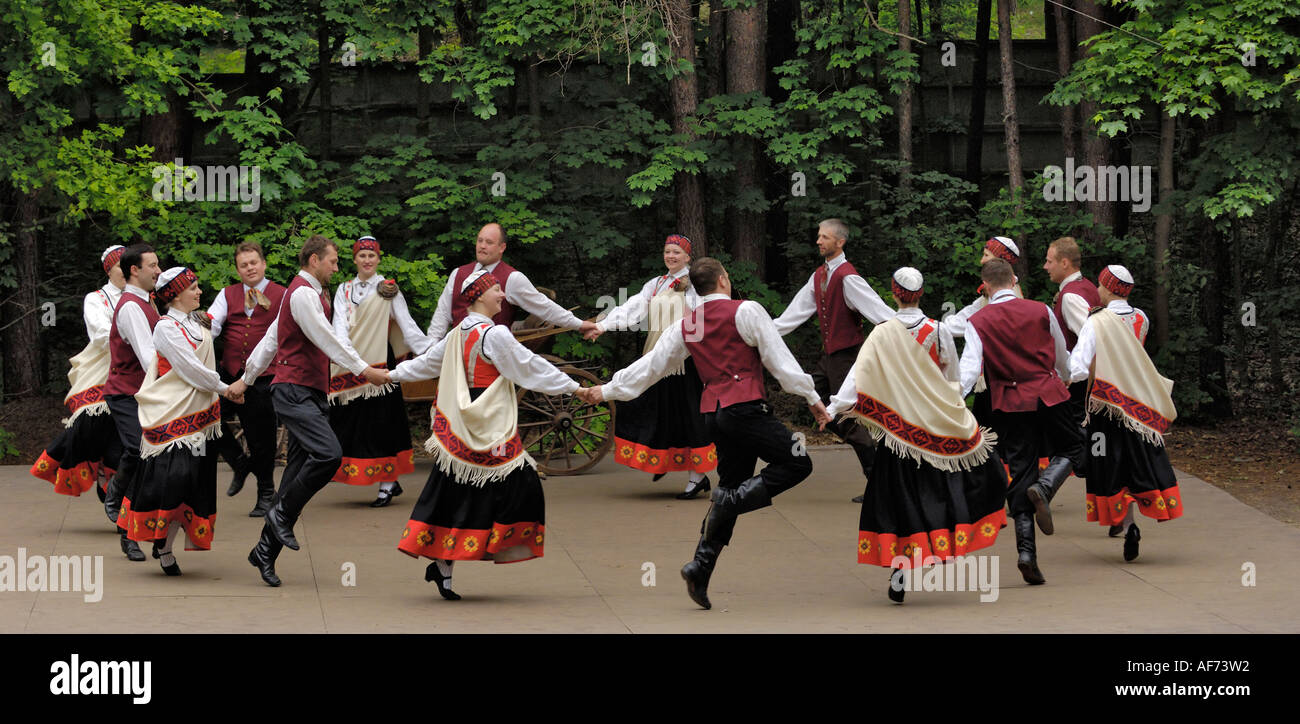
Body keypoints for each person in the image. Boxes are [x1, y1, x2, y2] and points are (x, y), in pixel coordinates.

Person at [587, 257, 832, 610]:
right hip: (745, 409)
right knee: (798, 463)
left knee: (731, 486)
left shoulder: (687, 325)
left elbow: (651, 367)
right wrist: (810, 396)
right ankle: (729, 502)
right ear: (723, 280)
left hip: (713, 415)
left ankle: (700, 566)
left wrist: (608, 390)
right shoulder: (746, 311)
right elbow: (780, 360)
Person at [388, 270, 581, 600]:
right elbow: (529, 366)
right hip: (489, 417)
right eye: (496, 290)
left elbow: (426, 365)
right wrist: (574, 387)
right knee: (520, 484)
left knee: (457, 488)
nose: (502, 296)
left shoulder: (457, 333)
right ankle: (492, 545)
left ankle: (445, 566)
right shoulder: (496, 336)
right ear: (479, 296)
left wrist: (390, 374)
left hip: (466, 419)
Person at [827, 268, 1006, 603]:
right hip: (934, 433)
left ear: (894, 293)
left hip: (896, 435)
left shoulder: (882, 334)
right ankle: (944, 546)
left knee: (898, 501)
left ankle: (899, 570)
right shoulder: (938, 332)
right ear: (922, 294)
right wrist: (952, 413)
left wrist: (833, 408)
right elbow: (951, 380)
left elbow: (857, 377)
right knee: (938, 494)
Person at [232, 235, 389, 587]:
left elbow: (271, 338)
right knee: (329, 454)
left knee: (293, 480)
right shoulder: (302, 293)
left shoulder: (304, 295)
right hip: (293, 390)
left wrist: (246, 378)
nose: (337, 266)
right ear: (315, 260)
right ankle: (282, 517)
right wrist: (365, 370)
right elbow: (325, 339)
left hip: (310, 392)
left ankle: (264, 552)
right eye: (333, 261)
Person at [959, 259, 1082, 585]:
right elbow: (1060, 354)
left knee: (1020, 469)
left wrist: (952, 399)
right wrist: (1068, 377)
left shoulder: (976, 320)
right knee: (1075, 445)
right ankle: (1046, 486)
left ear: (984, 286)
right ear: (1014, 280)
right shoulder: (1041, 309)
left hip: (1009, 403)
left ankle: (1027, 553)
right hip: (1048, 394)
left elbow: (969, 370)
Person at [117, 268, 244, 576]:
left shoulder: (198, 320)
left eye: (198, 286)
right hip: (172, 417)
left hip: (200, 420)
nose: (200, 292)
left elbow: (228, 318)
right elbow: (190, 369)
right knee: (174, 480)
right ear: (174, 295)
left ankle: (165, 545)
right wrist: (226, 388)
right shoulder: (166, 328)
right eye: (194, 288)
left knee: (192, 484)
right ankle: (157, 538)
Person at [584, 234, 715, 498]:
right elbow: (633, 309)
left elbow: (706, 317)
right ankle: (663, 460)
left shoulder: (695, 283)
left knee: (690, 415)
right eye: (667, 251)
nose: (671, 256)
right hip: (657, 357)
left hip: (686, 362)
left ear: (688, 257)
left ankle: (698, 476)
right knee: (655, 412)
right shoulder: (656, 284)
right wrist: (603, 325)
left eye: (677, 252)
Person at [773, 219, 894, 504]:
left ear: (840, 242)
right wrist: (761, 330)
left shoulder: (848, 278)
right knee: (811, 393)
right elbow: (794, 314)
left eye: (824, 237)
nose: (818, 241)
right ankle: (879, 477)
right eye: (818, 236)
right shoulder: (819, 276)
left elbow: (882, 313)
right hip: (830, 358)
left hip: (848, 358)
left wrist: (911, 330)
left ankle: (880, 484)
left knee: (848, 419)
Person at [1067, 265, 1183, 561]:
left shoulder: (1096, 322)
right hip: (1139, 405)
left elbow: (1079, 366)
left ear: (1106, 287)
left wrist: (1068, 379)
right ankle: (1133, 520)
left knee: (1112, 464)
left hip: (1107, 406)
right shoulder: (1141, 318)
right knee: (1138, 461)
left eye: (1101, 285)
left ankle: (1126, 522)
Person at [329, 235, 430, 506]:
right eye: (362, 255)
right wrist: (346, 355)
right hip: (351, 363)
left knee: (382, 423)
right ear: (354, 259)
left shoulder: (388, 288)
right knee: (354, 422)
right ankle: (387, 479)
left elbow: (406, 324)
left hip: (381, 365)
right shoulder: (344, 289)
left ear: (379, 258)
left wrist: (431, 352)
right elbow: (339, 325)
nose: (367, 260)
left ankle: (386, 483)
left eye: (371, 255)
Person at [31, 245, 126, 500]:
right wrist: (134, 341)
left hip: (137, 377)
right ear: (109, 270)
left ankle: (117, 496)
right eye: (120, 265)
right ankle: (104, 477)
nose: (127, 269)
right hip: (102, 374)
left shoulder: (143, 298)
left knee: (127, 439)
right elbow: (101, 334)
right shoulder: (96, 299)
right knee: (92, 429)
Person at [208, 241, 287, 516]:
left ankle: (266, 493)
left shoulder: (283, 294)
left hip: (264, 377)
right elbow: (212, 325)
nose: (250, 268)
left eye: (254, 262)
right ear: (237, 269)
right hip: (229, 374)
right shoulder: (226, 294)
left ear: (263, 264)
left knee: (261, 437)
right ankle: (239, 462)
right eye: (244, 264)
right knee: (207, 416)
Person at [424, 222, 598, 342]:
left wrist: (580, 325)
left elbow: (545, 307)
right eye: (480, 241)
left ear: (502, 248)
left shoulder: (512, 279)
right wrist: (430, 347)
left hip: (492, 355)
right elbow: (442, 315)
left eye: (489, 242)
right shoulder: (458, 274)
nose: (482, 246)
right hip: (456, 352)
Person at [102, 243, 162, 562]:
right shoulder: (130, 307)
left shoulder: (148, 301)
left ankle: (136, 524)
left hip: (144, 392)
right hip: (126, 392)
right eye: (152, 265)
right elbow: (148, 356)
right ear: (134, 270)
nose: (158, 270)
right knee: (140, 452)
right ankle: (123, 517)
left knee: (150, 458)